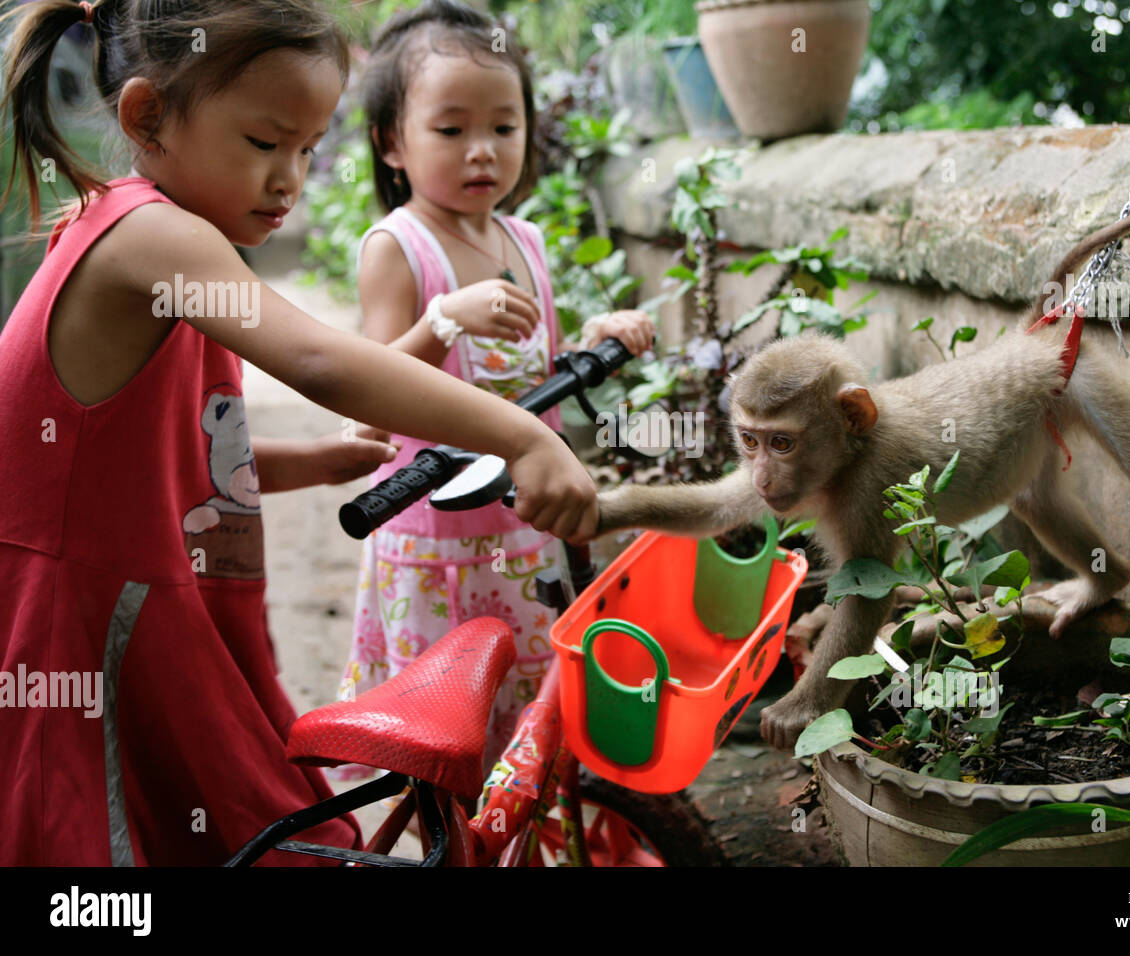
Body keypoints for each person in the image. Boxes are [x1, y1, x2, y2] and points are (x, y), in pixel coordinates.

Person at [0, 0, 598, 866]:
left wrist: (307, 462)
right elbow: (321, 361)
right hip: (75, 621)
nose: (292, 179)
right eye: (264, 143)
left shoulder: (151, 233)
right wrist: (525, 435)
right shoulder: (152, 237)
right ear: (145, 116)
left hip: (131, 591)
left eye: (309, 149)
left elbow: (151, 461)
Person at [334, 0, 654, 777]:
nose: (482, 151)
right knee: (447, 734)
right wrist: (444, 318)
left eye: (503, 128)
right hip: (433, 541)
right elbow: (369, 389)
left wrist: (593, 342)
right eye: (451, 130)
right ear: (391, 143)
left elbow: (532, 374)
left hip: (523, 530)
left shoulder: (525, 242)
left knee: (526, 715)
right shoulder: (398, 248)